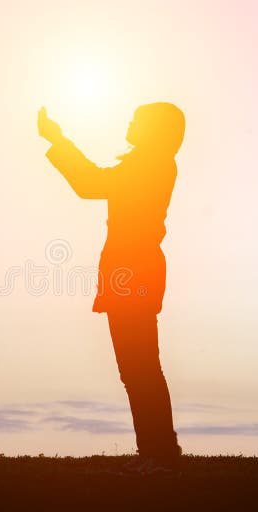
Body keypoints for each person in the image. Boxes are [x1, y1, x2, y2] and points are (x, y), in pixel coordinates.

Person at [38, 103, 186, 470]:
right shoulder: (149, 163)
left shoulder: (148, 164)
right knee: (137, 368)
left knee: (140, 367)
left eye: (138, 119)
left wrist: (58, 141)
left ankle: (160, 454)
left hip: (134, 271)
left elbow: (90, 184)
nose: (130, 122)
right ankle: (157, 451)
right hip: (132, 269)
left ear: (154, 129)